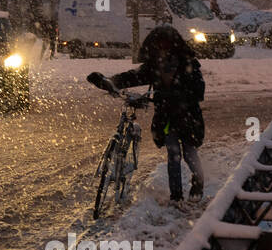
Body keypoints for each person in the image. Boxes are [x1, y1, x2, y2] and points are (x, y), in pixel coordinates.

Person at [87, 25, 206, 206]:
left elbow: (198, 91)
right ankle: (176, 196)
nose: (163, 50)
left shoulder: (188, 64)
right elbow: (133, 77)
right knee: (173, 153)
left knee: (189, 153)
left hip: (187, 117)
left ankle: (198, 182)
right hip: (167, 119)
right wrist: (109, 81)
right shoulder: (154, 66)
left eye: (166, 45)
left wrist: (176, 96)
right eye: (160, 46)